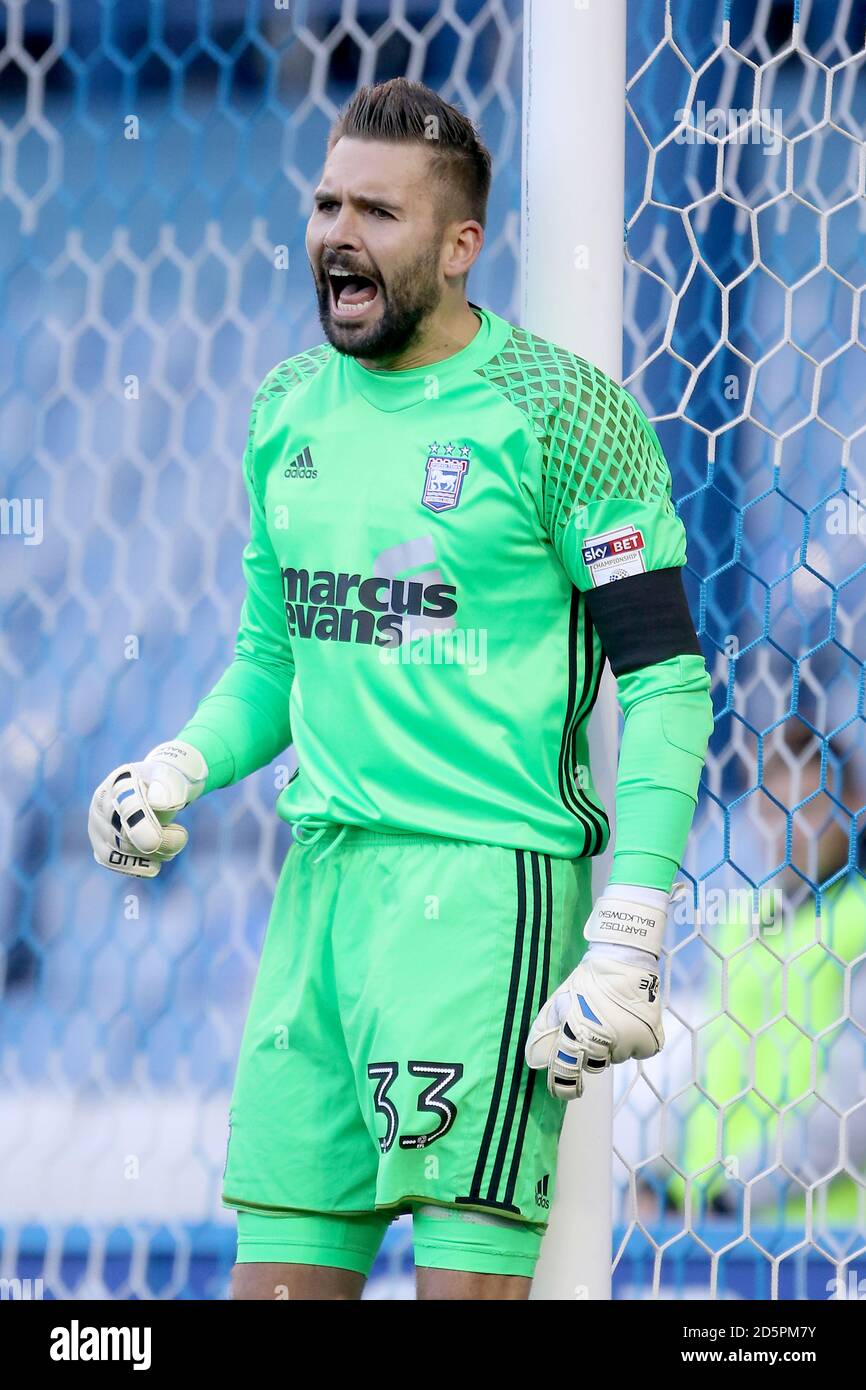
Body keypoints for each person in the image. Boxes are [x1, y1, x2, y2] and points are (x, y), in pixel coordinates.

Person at [88, 78, 713, 1301]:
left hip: (484, 900)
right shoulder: (283, 407)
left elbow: (666, 681)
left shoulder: (563, 410)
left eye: (376, 210)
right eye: (326, 203)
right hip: (319, 901)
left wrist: (630, 933)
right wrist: (179, 765)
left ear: (459, 243)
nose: (336, 233)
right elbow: (274, 660)